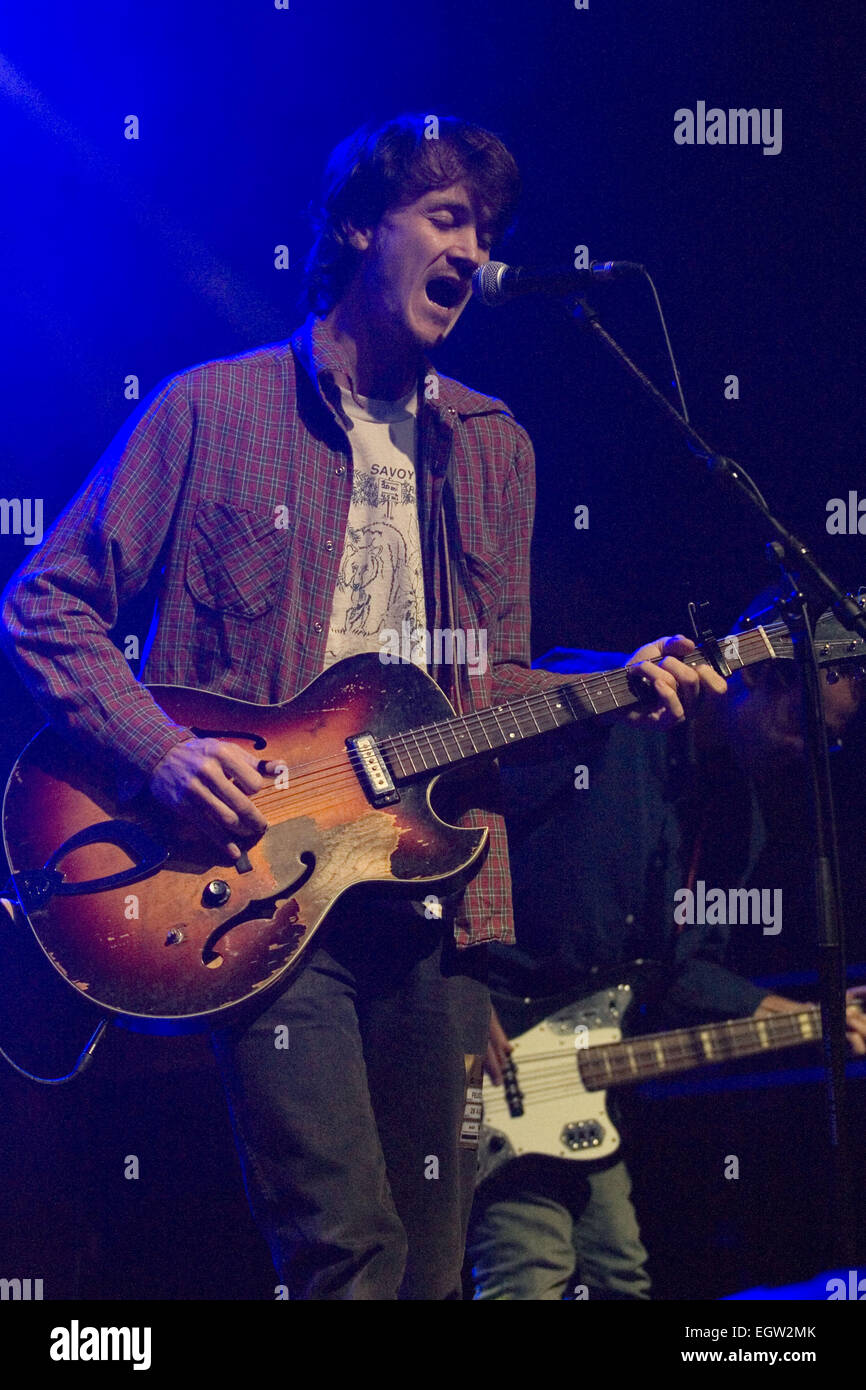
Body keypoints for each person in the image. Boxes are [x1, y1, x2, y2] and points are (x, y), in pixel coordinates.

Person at [0, 114, 725, 1300]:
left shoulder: (492, 445)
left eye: (486, 231)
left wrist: (613, 681)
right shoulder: (209, 411)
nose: (472, 250)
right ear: (354, 226)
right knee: (348, 1251)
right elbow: (46, 606)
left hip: (433, 907)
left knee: (435, 1269)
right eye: (446, 218)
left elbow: (484, 684)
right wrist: (164, 752)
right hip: (255, 890)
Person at [467, 617, 866, 1300]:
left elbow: (682, 972)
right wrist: (457, 997)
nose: (814, 754)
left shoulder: (741, 818)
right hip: (482, 1031)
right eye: (808, 727)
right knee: (528, 1272)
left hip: (575, 1085)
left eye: (830, 741)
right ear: (762, 677)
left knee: (620, 1279)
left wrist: (818, 1017)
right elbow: (453, 820)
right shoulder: (615, 694)